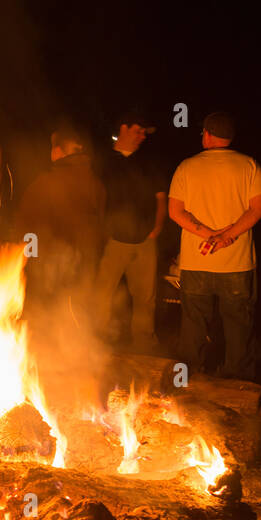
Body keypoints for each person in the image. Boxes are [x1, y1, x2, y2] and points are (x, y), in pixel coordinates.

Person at [168, 112, 261, 379]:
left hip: (196, 262)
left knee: (193, 326)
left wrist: (206, 234)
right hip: (236, 263)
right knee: (239, 328)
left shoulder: (186, 167)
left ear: (208, 135)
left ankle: (187, 380)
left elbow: (175, 212)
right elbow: (258, 210)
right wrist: (226, 236)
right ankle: (239, 385)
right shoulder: (250, 165)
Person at [16, 124, 105, 355]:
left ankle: (47, 363)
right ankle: (77, 361)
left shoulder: (45, 183)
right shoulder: (96, 183)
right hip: (86, 263)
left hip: (49, 266)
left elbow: (29, 225)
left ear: (58, 152)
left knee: (47, 316)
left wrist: (30, 258)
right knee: (78, 314)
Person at [94, 109, 166, 352]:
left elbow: (160, 197)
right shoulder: (103, 162)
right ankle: (96, 342)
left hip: (145, 241)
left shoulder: (148, 162)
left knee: (145, 299)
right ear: (123, 129)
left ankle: (144, 345)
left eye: (145, 133)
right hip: (113, 242)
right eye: (138, 131)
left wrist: (157, 227)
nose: (142, 136)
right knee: (102, 294)